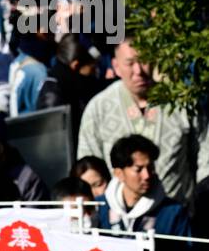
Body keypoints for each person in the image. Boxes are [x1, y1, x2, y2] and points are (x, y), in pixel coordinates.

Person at [77, 37, 195, 207]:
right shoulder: (99, 108)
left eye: (144, 61)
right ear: (116, 66)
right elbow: (88, 168)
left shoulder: (180, 101)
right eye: (130, 63)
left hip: (178, 213)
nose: (138, 70)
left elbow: (204, 155)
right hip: (120, 217)